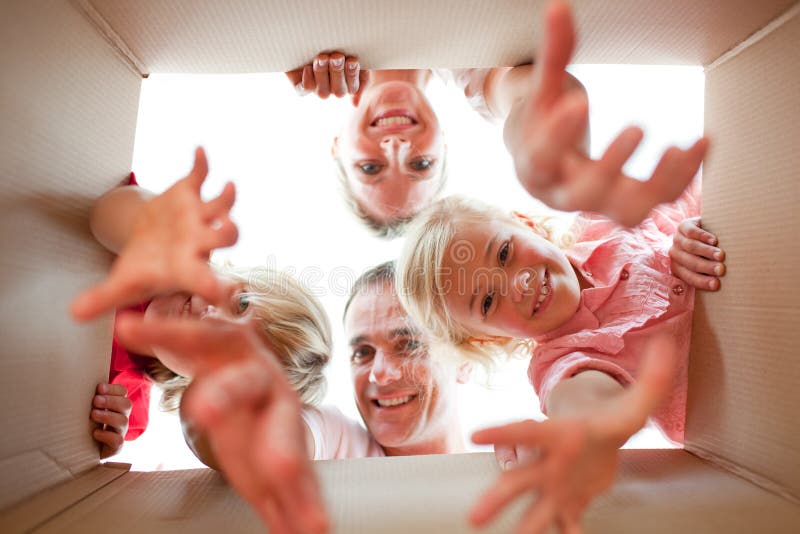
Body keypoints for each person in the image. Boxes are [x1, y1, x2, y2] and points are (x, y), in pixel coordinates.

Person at [394, 176, 725, 531]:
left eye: (504, 253)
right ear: (486, 339)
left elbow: (705, 191)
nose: (518, 285)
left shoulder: (604, 221)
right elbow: (586, 397)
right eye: (488, 301)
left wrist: (694, 231)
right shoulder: (560, 360)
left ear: (526, 224)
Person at [285, 0, 708, 236]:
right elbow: (528, 92)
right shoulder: (473, 72)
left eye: (370, 167)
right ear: (443, 142)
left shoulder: (303, 56)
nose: (397, 148)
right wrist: (552, 157)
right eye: (421, 164)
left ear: (338, 145)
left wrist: (301, 38)